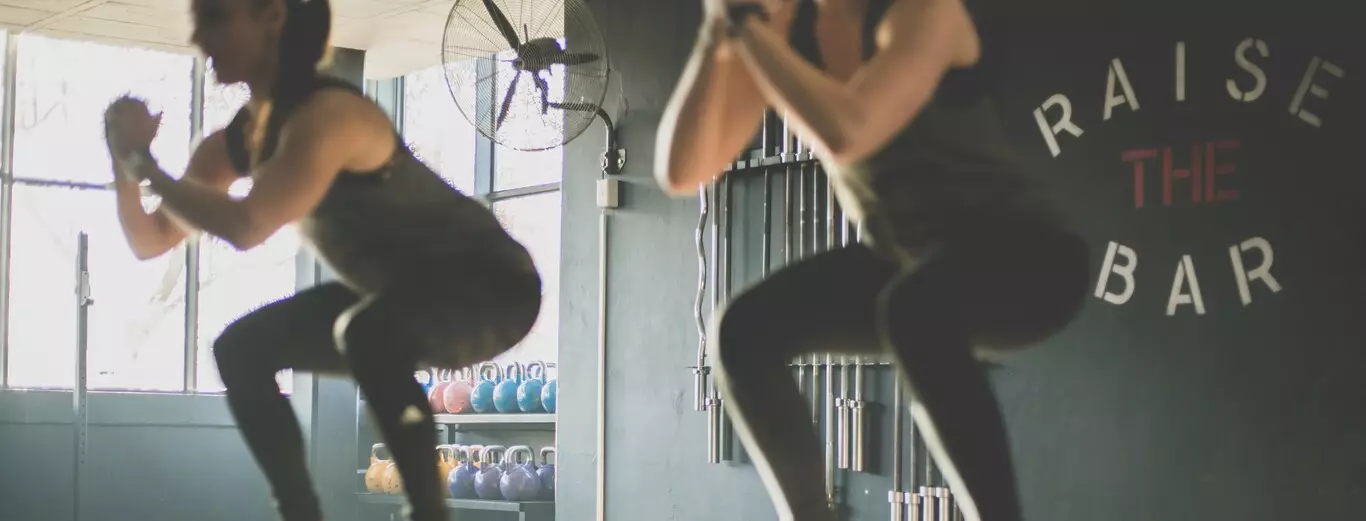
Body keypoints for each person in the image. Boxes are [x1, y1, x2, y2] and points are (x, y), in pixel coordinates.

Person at [102, 1, 542, 520]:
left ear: (272, 16)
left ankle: (429, 512)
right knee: (241, 350)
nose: (199, 38)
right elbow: (151, 239)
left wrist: (146, 164)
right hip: (392, 294)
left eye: (216, 17)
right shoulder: (235, 144)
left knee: (365, 332)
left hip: (491, 288)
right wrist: (124, 161)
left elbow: (247, 226)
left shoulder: (331, 115)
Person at [655, 0, 1089, 520]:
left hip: (1033, 260)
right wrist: (716, 32)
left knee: (914, 307)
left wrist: (745, 24)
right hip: (908, 264)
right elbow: (682, 171)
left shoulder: (924, 13)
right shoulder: (786, 39)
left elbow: (848, 130)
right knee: (744, 332)